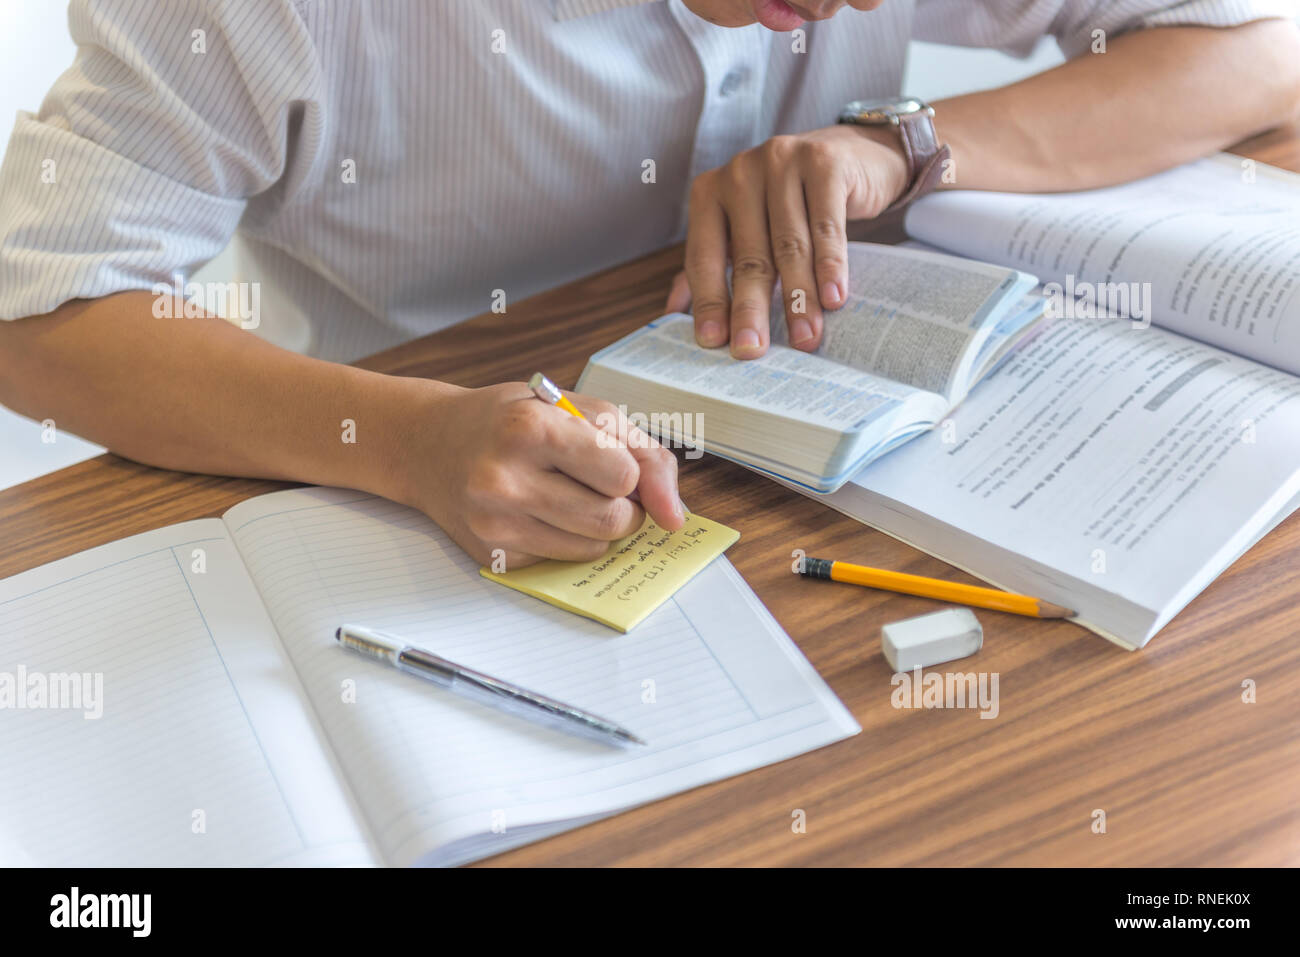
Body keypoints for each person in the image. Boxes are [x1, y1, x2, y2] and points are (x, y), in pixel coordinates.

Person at [0, 0, 1296, 567]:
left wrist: (897, 144)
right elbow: (44, 312)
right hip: (403, 494)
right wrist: (407, 436)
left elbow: (1260, 47)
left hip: (808, 484)